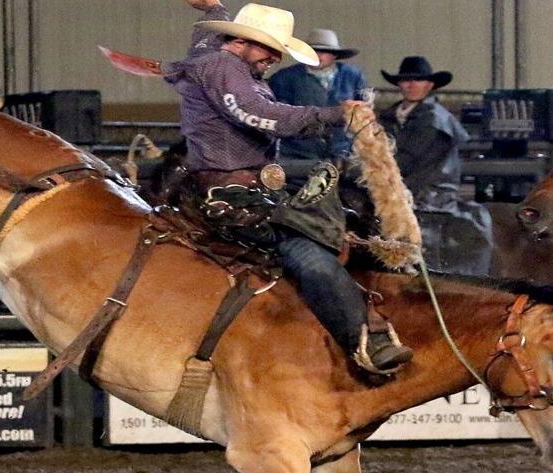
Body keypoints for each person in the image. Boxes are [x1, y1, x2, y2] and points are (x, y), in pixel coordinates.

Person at [167, 0, 413, 375]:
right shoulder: (223, 67)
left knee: (340, 223)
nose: (274, 59)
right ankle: (367, 341)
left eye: (277, 52)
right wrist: (333, 115)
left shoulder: (214, 57)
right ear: (241, 42)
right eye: (268, 49)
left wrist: (214, 10)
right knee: (308, 254)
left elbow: (204, 39)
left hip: (247, 188)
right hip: (231, 198)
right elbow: (260, 114)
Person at [377, 56, 493, 276]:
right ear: (399, 84)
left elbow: (408, 161)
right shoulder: (390, 116)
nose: (411, 85)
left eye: (417, 80)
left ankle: (430, 273)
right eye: (406, 80)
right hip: (397, 188)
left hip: (430, 194)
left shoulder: (435, 120)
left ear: (429, 85)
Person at [267, 29, 367, 161]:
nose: (317, 55)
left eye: (324, 51)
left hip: (342, 154)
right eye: (313, 51)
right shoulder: (284, 78)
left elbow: (364, 113)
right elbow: (277, 116)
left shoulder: (352, 76)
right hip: (297, 154)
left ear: (335, 55)